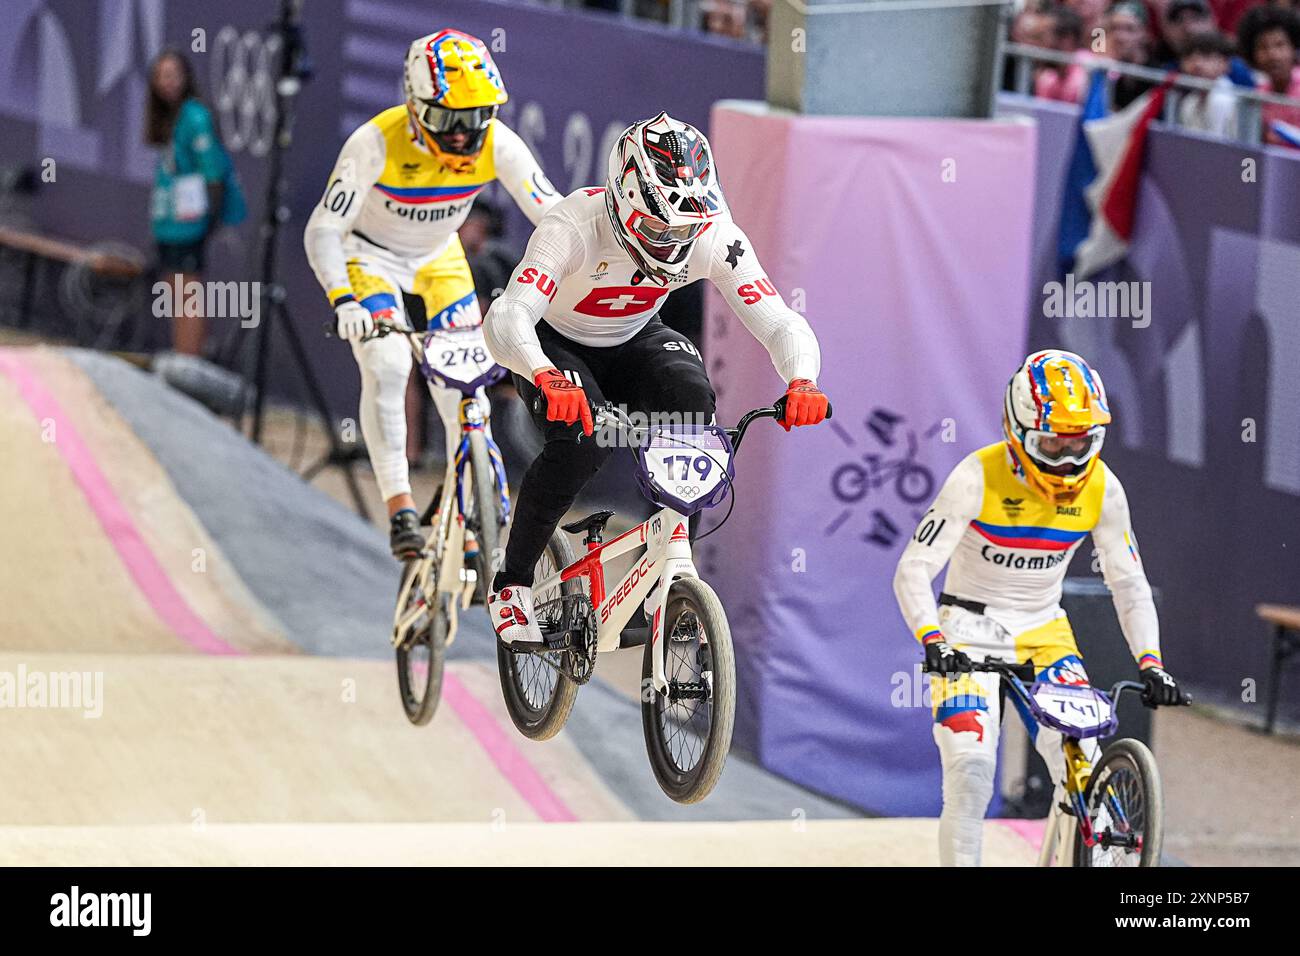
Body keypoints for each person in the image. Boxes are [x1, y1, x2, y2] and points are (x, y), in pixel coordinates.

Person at [481, 113, 830, 644]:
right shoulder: (574, 223)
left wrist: (802, 380)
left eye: (684, 231)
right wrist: (545, 374)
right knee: (584, 440)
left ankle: (668, 561)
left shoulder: (712, 234)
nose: (671, 244)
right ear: (621, 200)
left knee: (692, 404)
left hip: (635, 334)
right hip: (554, 344)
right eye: (659, 227)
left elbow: (778, 319)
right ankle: (512, 583)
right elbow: (508, 316)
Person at [892, 349, 1186, 867]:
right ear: (1018, 432)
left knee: (1084, 765)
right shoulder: (976, 476)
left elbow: (1129, 582)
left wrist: (1151, 661)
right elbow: (913, 569)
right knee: (971, 771)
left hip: (1044, 630)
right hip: (966, 628)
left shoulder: (1104, 488)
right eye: (1054, 443)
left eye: (1082, 443)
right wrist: (932, 639)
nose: (1070, 459)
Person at [304, 29, 559, 558]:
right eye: (450, 121)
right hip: (369, 258)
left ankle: (468, 514)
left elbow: (555, 216)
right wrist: (343, 299)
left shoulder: (497, 142)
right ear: (414, 107)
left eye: (477, 118)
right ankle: (399, 506)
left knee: (465, 389)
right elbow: (324, 231)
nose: (465, 137)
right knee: (389, 363)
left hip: (438, 257)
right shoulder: (375, 142)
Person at [146, 50, 244, 356]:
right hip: (169, 222)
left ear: (187, 77)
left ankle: (189, 363)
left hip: (190, 222)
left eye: (174, 75)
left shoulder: (195, 116)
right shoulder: (167, 119)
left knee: (188, 292)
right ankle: (181, 356)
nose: (169, 83)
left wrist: (210, 220)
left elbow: (212, 172)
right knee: (174, 292)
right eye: (162, 76)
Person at [1237, 5, 1300, 147]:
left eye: (1280, 45)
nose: (1273, 55)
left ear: (1293, 48)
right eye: (1263, 47)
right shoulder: (1258, 95)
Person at [1176, 30, 1241, 137]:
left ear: (1225, 63)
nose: (1196, 64)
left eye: (1206, 56)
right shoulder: (1189, 102)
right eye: (1189, 56)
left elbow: (1217, 149)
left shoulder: (1224, 99)